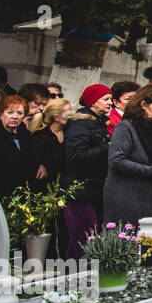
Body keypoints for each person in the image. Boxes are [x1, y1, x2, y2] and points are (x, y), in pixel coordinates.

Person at [103, 86, 152, 226]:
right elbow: (116, 161)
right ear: (143, 105)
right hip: (125, 195)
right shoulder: (125, 127)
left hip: (145, 194)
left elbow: (144, 155)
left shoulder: (150, 127)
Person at [61, 84, 113, 259]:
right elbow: (75, 156)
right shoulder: (81, 123)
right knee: (85, 241)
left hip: (92, 189)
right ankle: (79, 280)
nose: (110, 103)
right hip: (79, 191)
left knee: (81, 241)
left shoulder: (96, 123)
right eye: (105, 99)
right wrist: (107, 148)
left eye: (110, 99)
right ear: (92, 101)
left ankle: (69, 278)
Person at [27, 97, 71, 195]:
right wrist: (41, 165)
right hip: (44, 190)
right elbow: (34, 160)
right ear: (56, 117)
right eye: (68, 112)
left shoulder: (69, 133)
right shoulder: (41, 137)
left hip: (64, 188)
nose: (71, 115)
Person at [0, 94, 31, 203]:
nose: (15, 116)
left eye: (20, 113)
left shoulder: (24, 133)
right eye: (10, 112)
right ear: (1, 114)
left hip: (16, 190)